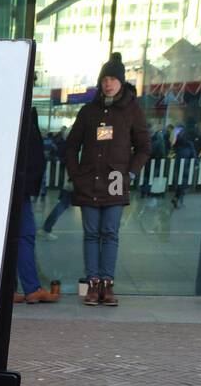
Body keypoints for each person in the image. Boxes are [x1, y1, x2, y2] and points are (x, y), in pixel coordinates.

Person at [63, 52, 151, 307]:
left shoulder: (132, 111)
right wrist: (77, 175)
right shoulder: (88, 111)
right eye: (104, 79)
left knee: (110, 233)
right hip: (89, 181)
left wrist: (130, 174)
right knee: (91, 234)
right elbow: (70, 147)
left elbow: (144, 147)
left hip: (115, 181)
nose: (108, 83)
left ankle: (107, 285)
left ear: (121, 82)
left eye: (113, 78)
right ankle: (93, 284)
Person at [15, 107, 60, 304]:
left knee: (16, 238)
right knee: (24, 236)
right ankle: (31, 288)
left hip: (14, 186)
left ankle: (17, 287)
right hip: (17, 187)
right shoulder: (20, 112)